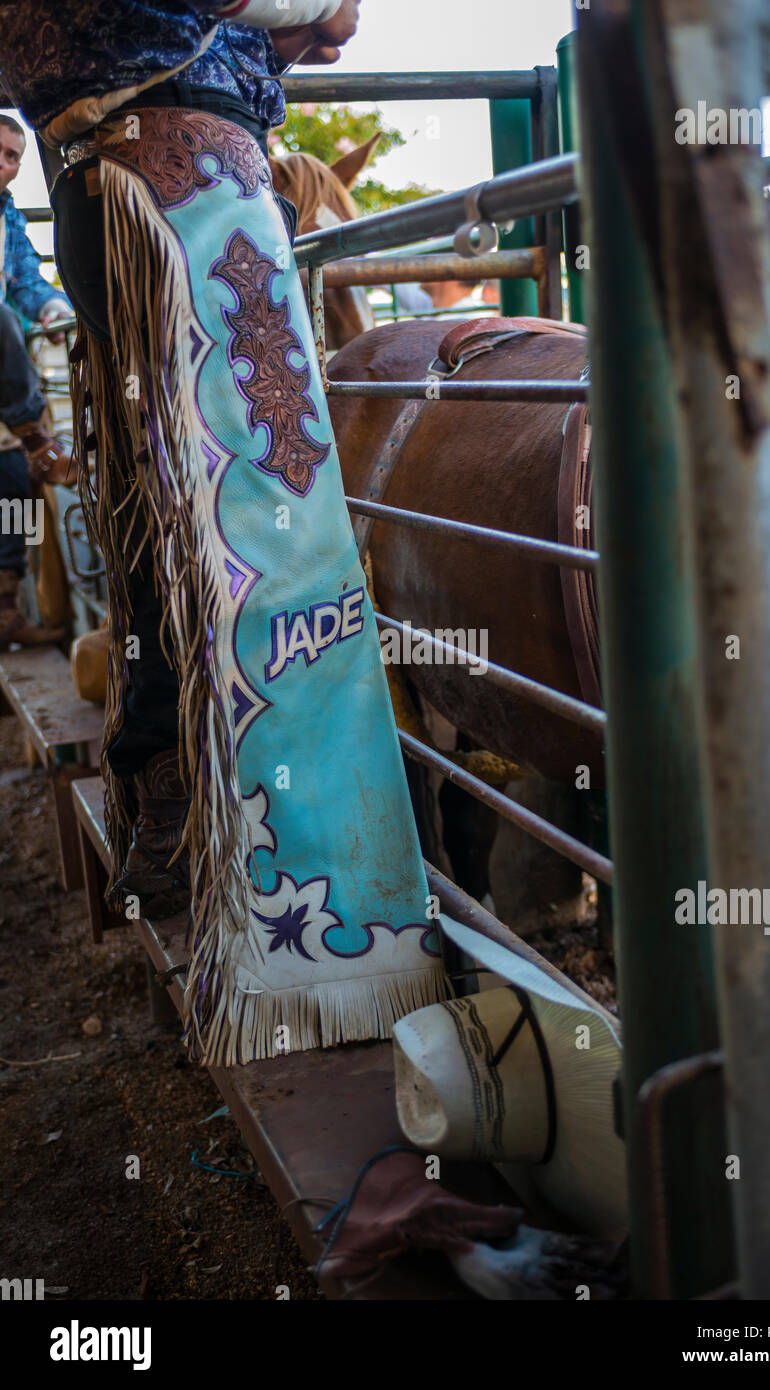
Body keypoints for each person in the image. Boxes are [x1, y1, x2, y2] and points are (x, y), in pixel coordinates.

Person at [0, 0, 446, 1065]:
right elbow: (300, 14)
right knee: (275, 522)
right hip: (186, 168)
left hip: (112, 163)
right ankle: (323, 916)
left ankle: (173, 812)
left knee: (175, 505)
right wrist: (309, 11)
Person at [0, 112, 74, 648]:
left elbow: (27, 278)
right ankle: (36, 435)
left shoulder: (6, 218)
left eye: (12, 157)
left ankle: (7, 611)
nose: (2, 164)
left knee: (14, 490)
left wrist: (52, 308)